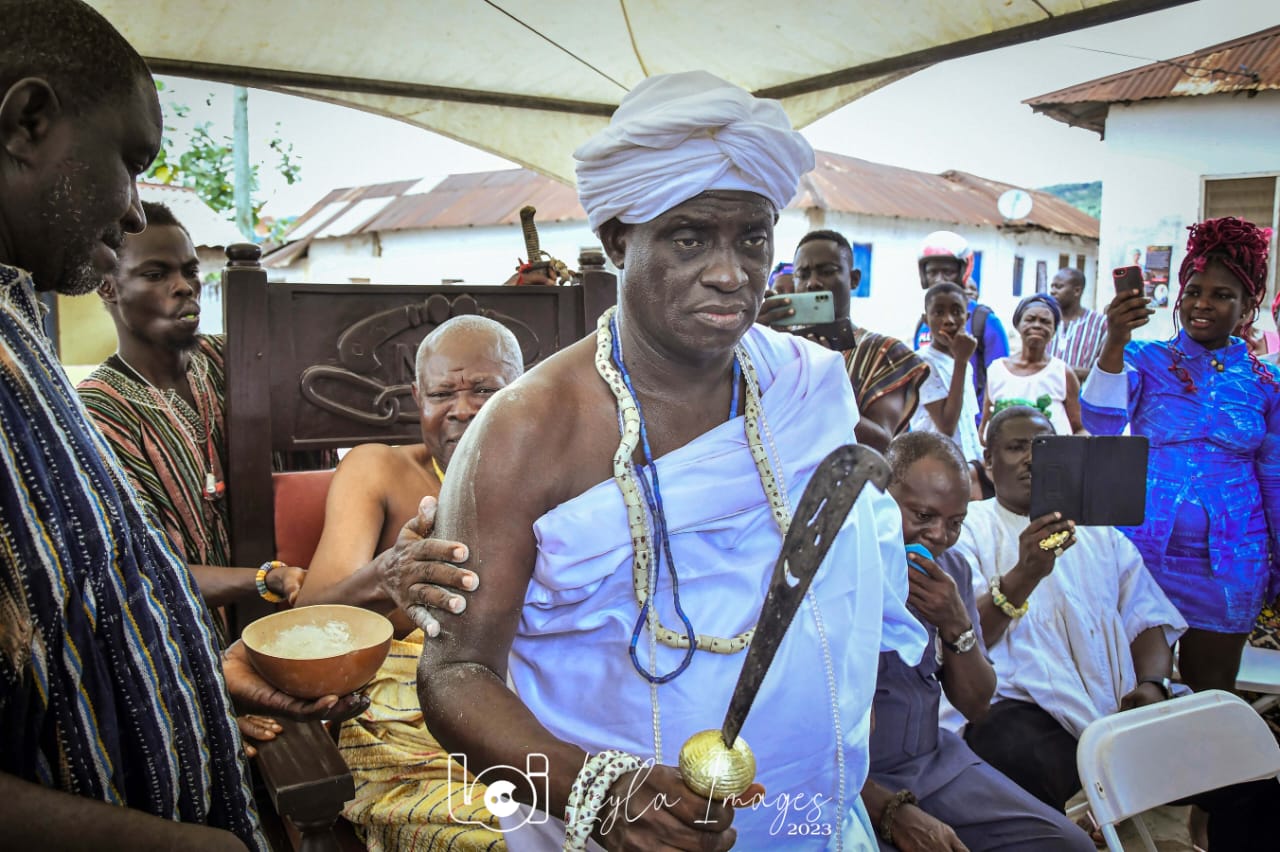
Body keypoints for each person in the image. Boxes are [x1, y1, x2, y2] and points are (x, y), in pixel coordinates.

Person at [385, 70, 927, 850]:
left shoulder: (807, 385)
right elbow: (452, 676)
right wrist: (596, 794)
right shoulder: (524, 429)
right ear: (617, 241)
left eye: (752, 237)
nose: (730, 271)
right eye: (688, 237)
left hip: (813, 811)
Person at [296, 315, 524, 850]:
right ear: (416, 398)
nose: (462, 409)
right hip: (410, 723)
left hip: (532, 703)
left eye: (486, 390)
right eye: (443, 393)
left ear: (524, 392)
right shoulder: (379, 471)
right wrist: (386, 574)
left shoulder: (564, 474)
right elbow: (309, 624)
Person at [864, 432, 1092, 852]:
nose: (939, 535)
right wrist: (890, 810)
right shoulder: (845, 570)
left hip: (932, 763)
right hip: (856, 779)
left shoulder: (951, 571)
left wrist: (955, 622)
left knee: (1067, 845)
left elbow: (976, 704)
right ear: (880, 495)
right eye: (921, 515)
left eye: (954, 523)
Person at [1081, 215, 1280, 695]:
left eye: (1221, 295)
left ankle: (1212, 773)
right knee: (1133, 686)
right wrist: (1114, 340)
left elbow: (1275, 480)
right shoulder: (1144, 358)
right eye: (1193, 290)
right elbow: (1100, 423)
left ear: (1248, 304)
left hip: (1231, 564)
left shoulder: (1266, 382)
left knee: (1212, 690)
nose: (1202, 304)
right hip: (1143, 556)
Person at [78, 202, 307, 618]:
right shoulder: (98, 414)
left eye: (190, 271)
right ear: (107, 287)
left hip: (293, 619)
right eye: (156, 274)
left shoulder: (238, 359)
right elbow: (137, 565)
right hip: (186, 644)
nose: (184, 286)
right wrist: (268, 578)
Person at [953, 406, 1186, 814]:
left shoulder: (1099, 531)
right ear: (988, 463)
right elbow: (965, 635)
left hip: (1115, 704)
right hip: (1021, 706)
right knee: (1008, 752)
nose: (1030, 458)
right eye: (1015, 447)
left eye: (1042, 447)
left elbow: (1147, 617)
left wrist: (1154, 683)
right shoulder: (968, 528)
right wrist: (1025, 573)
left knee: (1237, 759)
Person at [758, 229, 929, 451]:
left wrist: (825, 382)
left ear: (854, 279)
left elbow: (880, 441)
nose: (813, 283)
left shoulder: (884, 352)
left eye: (826, 271)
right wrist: (754, 338)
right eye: (803, 274)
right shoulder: (779, 345)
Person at [910, 231, 1009, 415]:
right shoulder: (923, 323)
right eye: (932, 272)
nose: (939, 279)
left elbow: (1000, 382)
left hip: (974, 425)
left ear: (963, 272)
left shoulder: (985, 321)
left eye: (947, 272)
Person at [980, 294, 1084, 440]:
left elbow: (1080, 428)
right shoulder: (997, 370)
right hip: (1006, 459)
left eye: (1045, 322)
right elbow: (986, 425)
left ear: (1054, 331)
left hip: (1051, 460)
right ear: (1017, 325)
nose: (1037, 325)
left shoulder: (1062, 372)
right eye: (1030, 319)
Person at [910, 284, 983, 466]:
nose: (949, 320)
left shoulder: (962, 360)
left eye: (957, 311)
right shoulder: (922, 362)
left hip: (967, 462)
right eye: (939, 312)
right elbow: (947, 426)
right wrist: (961, 362)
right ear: (926, 319)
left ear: (967, 317)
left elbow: (968, 420)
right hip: (938, 463)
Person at [1047, 267, 1107, 382]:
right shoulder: (1046, 319)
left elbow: (1106, 372)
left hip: (1082, 396)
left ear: (1077, 291)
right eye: (1052, 286)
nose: (1053, 291)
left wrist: (1060, 371)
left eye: (1059, 287)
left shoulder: (1100, 324)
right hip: (1046, 395)